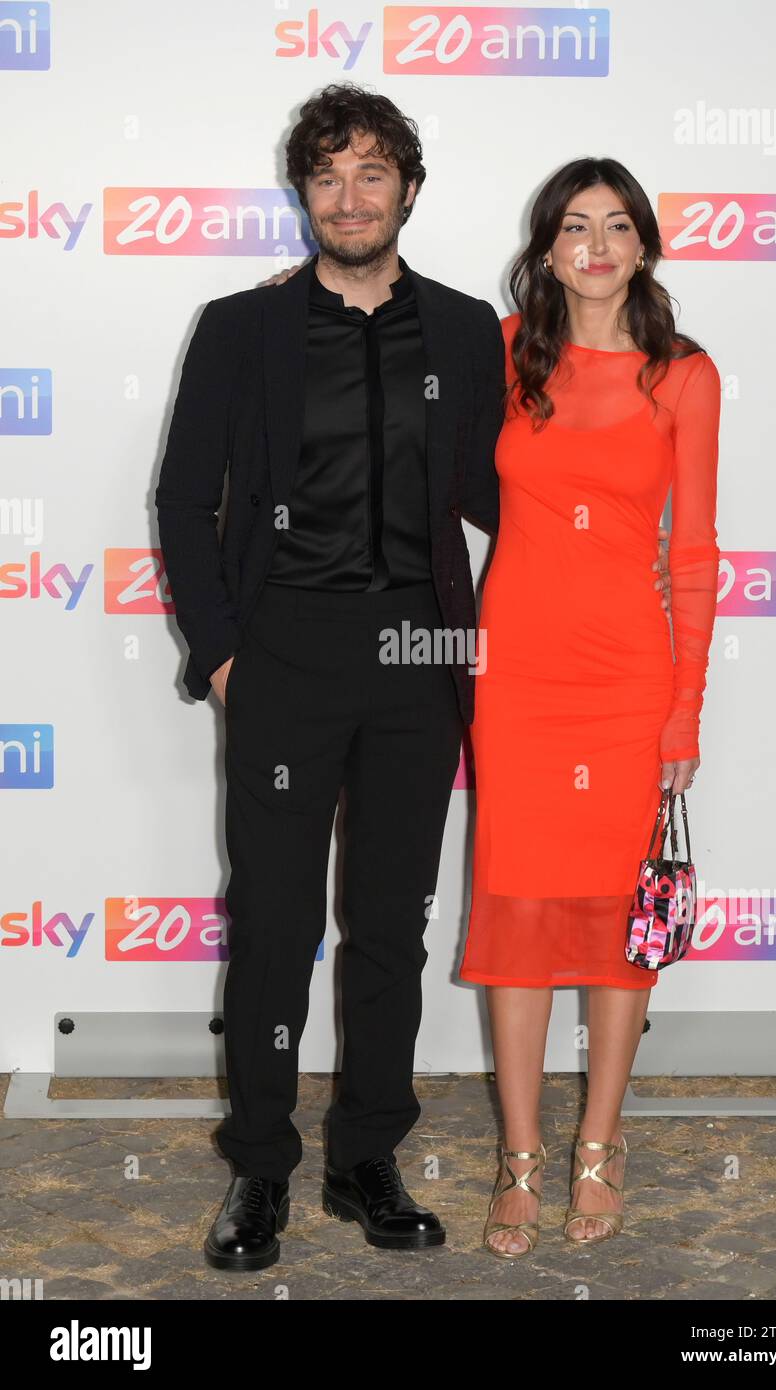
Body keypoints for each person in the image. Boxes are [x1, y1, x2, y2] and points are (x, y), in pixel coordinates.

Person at [155, 81, 671, 1271]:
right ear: (302, 193)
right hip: (281, 650)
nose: (349, 195)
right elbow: (187, 501)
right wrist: (223, 654)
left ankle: (365, 1158)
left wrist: (623, 519)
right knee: (274, 923)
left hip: (423, 655)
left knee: (388, 919)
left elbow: (513, 486)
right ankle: (261, 1172)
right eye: (327, 174)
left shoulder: (459, 334)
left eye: (371, 172)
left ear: (408, 190)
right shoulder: (243, 327)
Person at [457, 158, 722, 1257]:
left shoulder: (682, 375)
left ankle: (597, 1147)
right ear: (548, 244)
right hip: (512, 677)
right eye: (576, 226)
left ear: (644, 247)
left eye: (617, 227)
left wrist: (681, 715)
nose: (597, 245)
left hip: (625, 682)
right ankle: (520, 1158)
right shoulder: (504, 351)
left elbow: (695, 557)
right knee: (515, 912)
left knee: (620, 922)